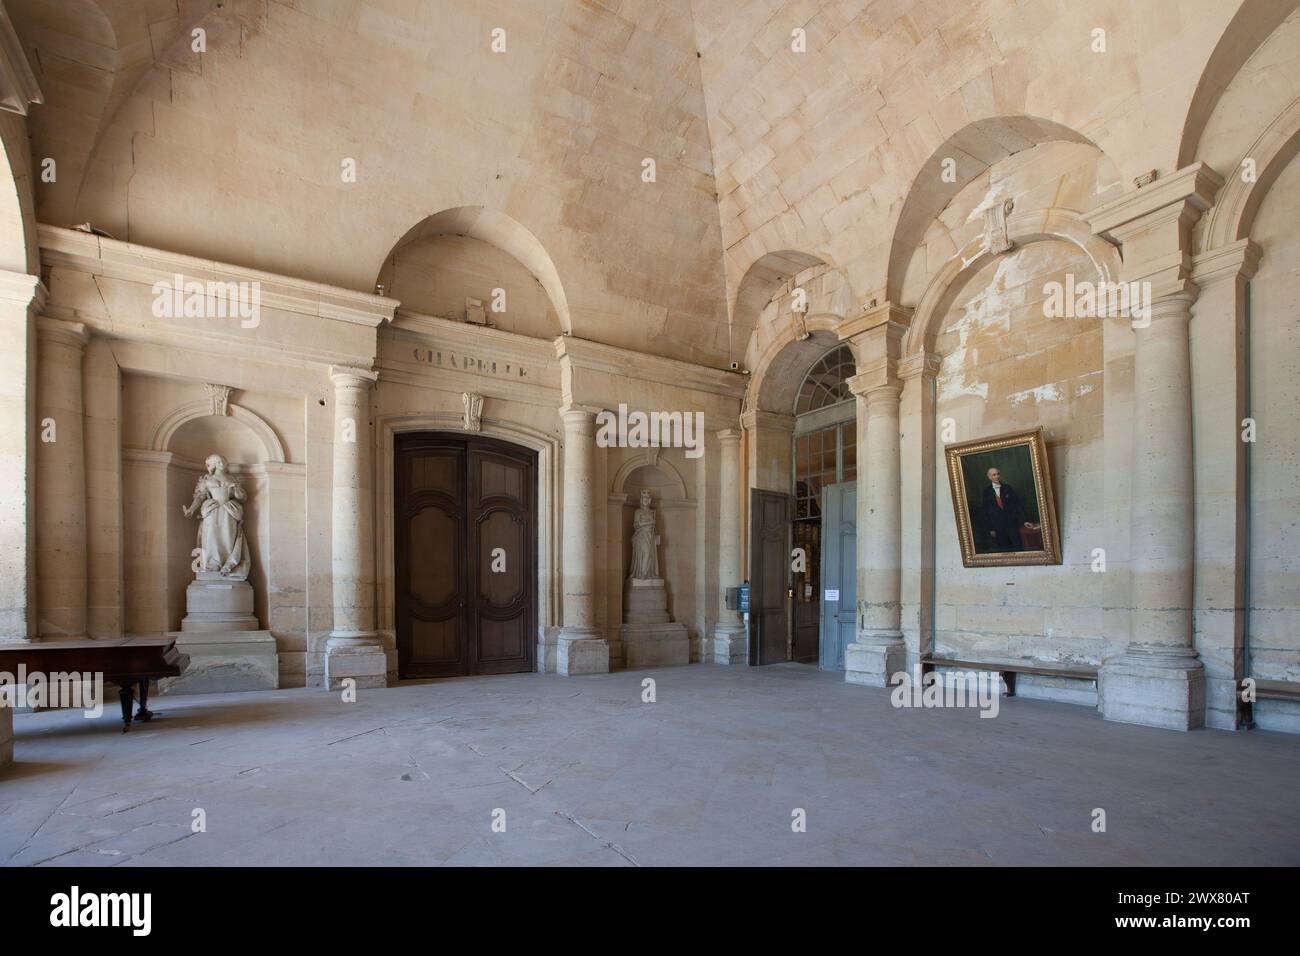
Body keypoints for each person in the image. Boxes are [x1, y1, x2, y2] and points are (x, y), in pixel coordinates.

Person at [183, 453, 251, 578]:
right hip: (212, 511)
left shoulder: (232, 479)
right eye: (219, 462)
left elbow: (242, 498)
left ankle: (228, 564)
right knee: (211, 537)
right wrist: (191, 509)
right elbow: (199, 496)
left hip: (228, 512)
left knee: (228, 536)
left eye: (223, 461)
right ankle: (212, 563)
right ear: (213, 464)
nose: (222, 464)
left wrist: (236, 489)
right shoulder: (207, 480)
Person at [978, 466, 1037, 552]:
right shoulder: (986, 492)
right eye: (994, 475)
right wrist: (990, 528)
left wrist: (1025, 521)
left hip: (1012, 524)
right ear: (989, 477)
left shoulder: (1007, 488)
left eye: (998, 474)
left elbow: (1018, 506)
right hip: (998, 527)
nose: (997, 476)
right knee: (1005, 550)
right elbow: (986, 512)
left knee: (1018, 548)